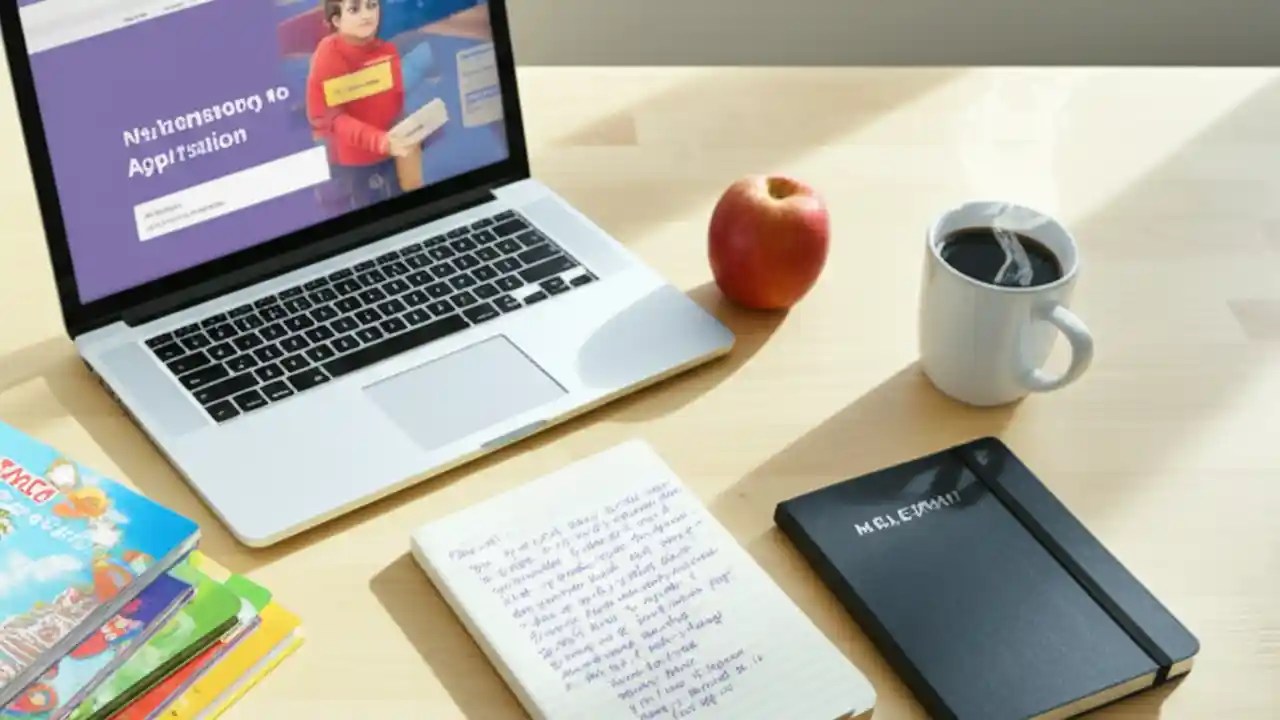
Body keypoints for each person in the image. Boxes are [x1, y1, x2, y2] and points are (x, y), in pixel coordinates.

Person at [306, 0, 416, 210]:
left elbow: (395, 105)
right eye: (354, 9)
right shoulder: (328, 54)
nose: (367, 15)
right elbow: (333, 120)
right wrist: (379, 141)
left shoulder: (388, 51)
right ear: (336, 20)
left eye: (372, 5)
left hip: (390, 155)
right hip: (351, 165)